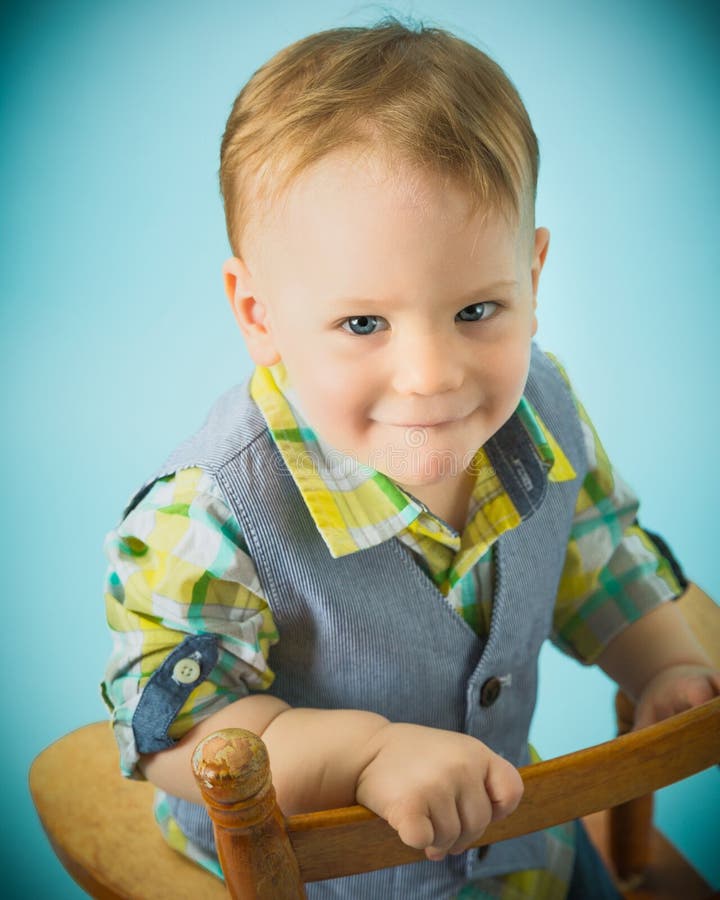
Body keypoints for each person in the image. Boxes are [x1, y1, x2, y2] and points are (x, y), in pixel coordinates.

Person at [100, 16, 720, 899]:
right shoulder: (213, 514)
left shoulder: (542, 411)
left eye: (476, 311)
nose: (431, 376)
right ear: (258, 314)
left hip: (517, 832)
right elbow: (177, 732)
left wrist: (663, 665)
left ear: (532, 276)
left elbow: (593, 555)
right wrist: (367, 756)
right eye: (363, 323)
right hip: (324, 876)